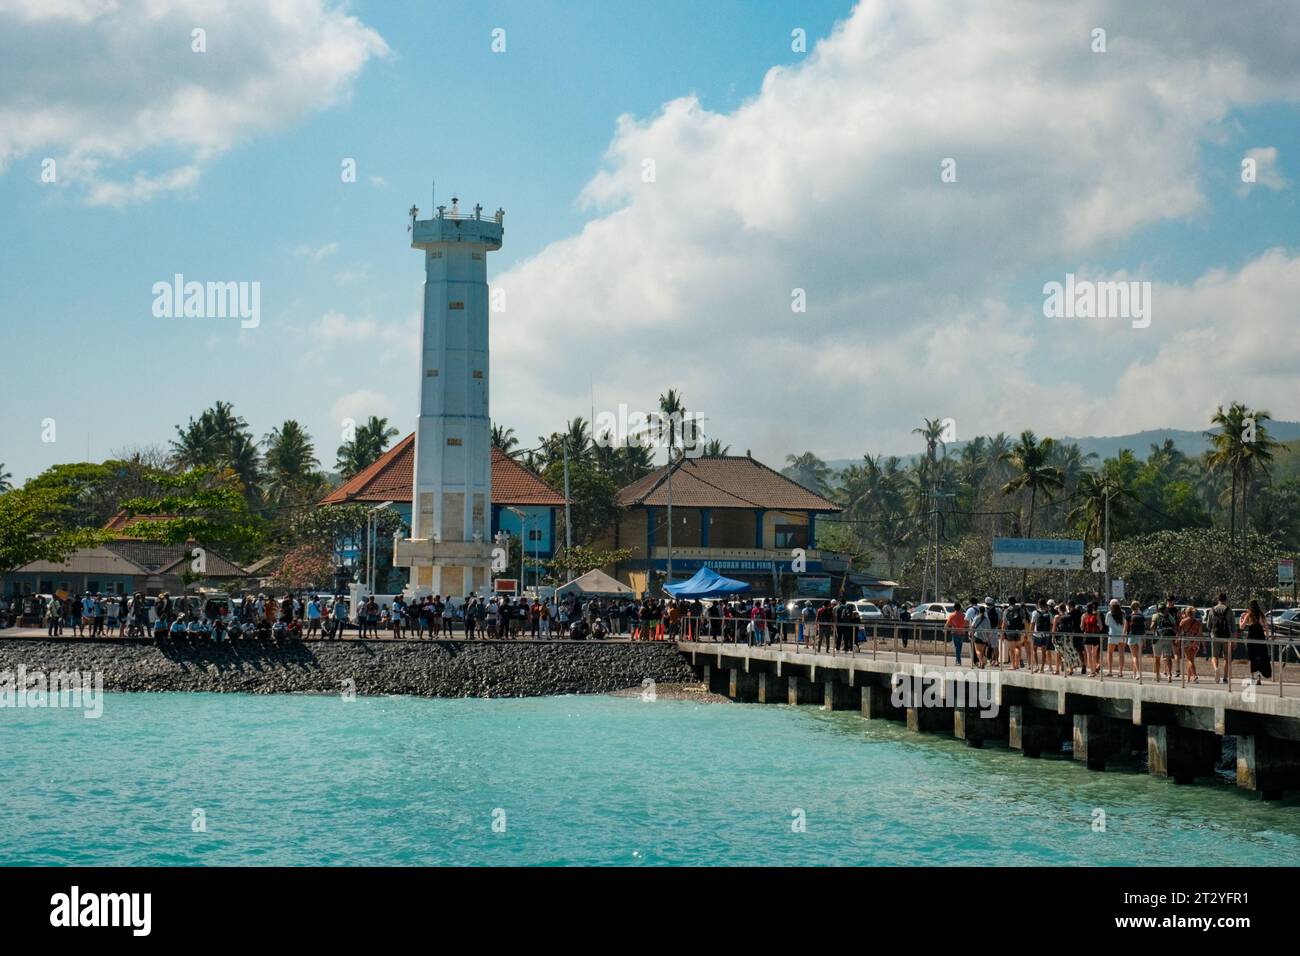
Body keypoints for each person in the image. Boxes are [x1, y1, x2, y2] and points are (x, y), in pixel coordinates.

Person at [1206, 593, 1236, 684]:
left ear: (1218, 599)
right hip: (1227, 637)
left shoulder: (1212, 610)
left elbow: (1208, 626)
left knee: (1214, 656)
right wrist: (1234, 639)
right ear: (1225, 600)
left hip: (1215, 636)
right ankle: (1225, 677)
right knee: (1227, 658)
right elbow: (1233, 627)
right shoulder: (1229, 610)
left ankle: (1216, 669)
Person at [1241, 600, 1273, 685]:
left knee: (1252, 658)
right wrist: (1267, 637)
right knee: (1260, 657)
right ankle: (1258, 675)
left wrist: (1241, 619)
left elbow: (1242, 627)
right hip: (1260, 638)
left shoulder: (1248, 614)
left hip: (1251, 638)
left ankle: (1252, 677)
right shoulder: (1261, 614)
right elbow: (1266, 626)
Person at [1152, 597, 1179, 682]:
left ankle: (1157, 675)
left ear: (1158, 609)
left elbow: (1152, 627)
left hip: (1158, 639)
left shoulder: (1155, 615)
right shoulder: (1169, 616)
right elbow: (1175, 626)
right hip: (1168, 639)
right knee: (1168, 657)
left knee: (1157, 658)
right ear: (1165, 609)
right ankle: (1170, 674)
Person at [1103, 599, 1128, 677]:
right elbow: (1125, 623)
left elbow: (1106, 623)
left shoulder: (1109, 614)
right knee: (1121, 654)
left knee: (1110, 653)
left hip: (1112, 635)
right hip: (1122, 635)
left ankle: (1110, 671)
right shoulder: (1123, 613)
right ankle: (1120, 672)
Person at [1177, 606, 1202, 683]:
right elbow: (1200, 633)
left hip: (1186, 641)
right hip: (1195, 641)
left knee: (1189, 659)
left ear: (1187, 613)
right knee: (1191, 660)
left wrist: (1177, 640)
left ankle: (1194, 675)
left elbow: (1179, 632)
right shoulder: (1198, 623)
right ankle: (1188, 678)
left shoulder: (1183, 621)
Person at [1124, 600, 1146, 677]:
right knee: (1138, 656)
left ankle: (1138, 673)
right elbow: (1144, 629)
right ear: (1138, 607)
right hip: (1140, 636)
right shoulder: (1142, 616)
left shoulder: (1129, 616)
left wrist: (1123, 637)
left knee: (1134, 656)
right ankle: (1135, 673)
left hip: (1131, 636)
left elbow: (1126, 628)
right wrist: (1144, 640)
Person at [1001, 597, 1026, 669]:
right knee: (1018, 647)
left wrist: (1002, 634)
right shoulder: (1020, 609)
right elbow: (1023, 621)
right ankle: (1017, 664)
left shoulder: (1007, 610)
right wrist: (1025, 632)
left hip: (1009, 631)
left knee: (1011, 649)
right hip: (1018, 631)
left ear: (1009, 602)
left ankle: (1013, 665)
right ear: (1015, 602)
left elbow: (1004, 623)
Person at [1030, 598, 1053, 673]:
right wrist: (1049, 634)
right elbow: (1051, 624)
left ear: (1038, 604)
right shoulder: (1048, 613)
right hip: (1045, 635)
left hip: (1037, 635)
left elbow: (1032, 624)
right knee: (1044, 652)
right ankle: (1042, 668)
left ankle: (1037, 666)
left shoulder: (1035, 612)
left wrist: (1030, 634)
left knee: (1034, 650)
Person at [945, 601, 967, 666]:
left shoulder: (952, 615)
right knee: (959, 647)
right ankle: (958, 660)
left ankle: (958, 661)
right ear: (960, 608)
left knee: (957, 647)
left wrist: (947, 629)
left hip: (955, 633)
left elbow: (946, 625)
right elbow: (967, 623)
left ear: (954, 608)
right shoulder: (963, 615)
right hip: (962, 633)